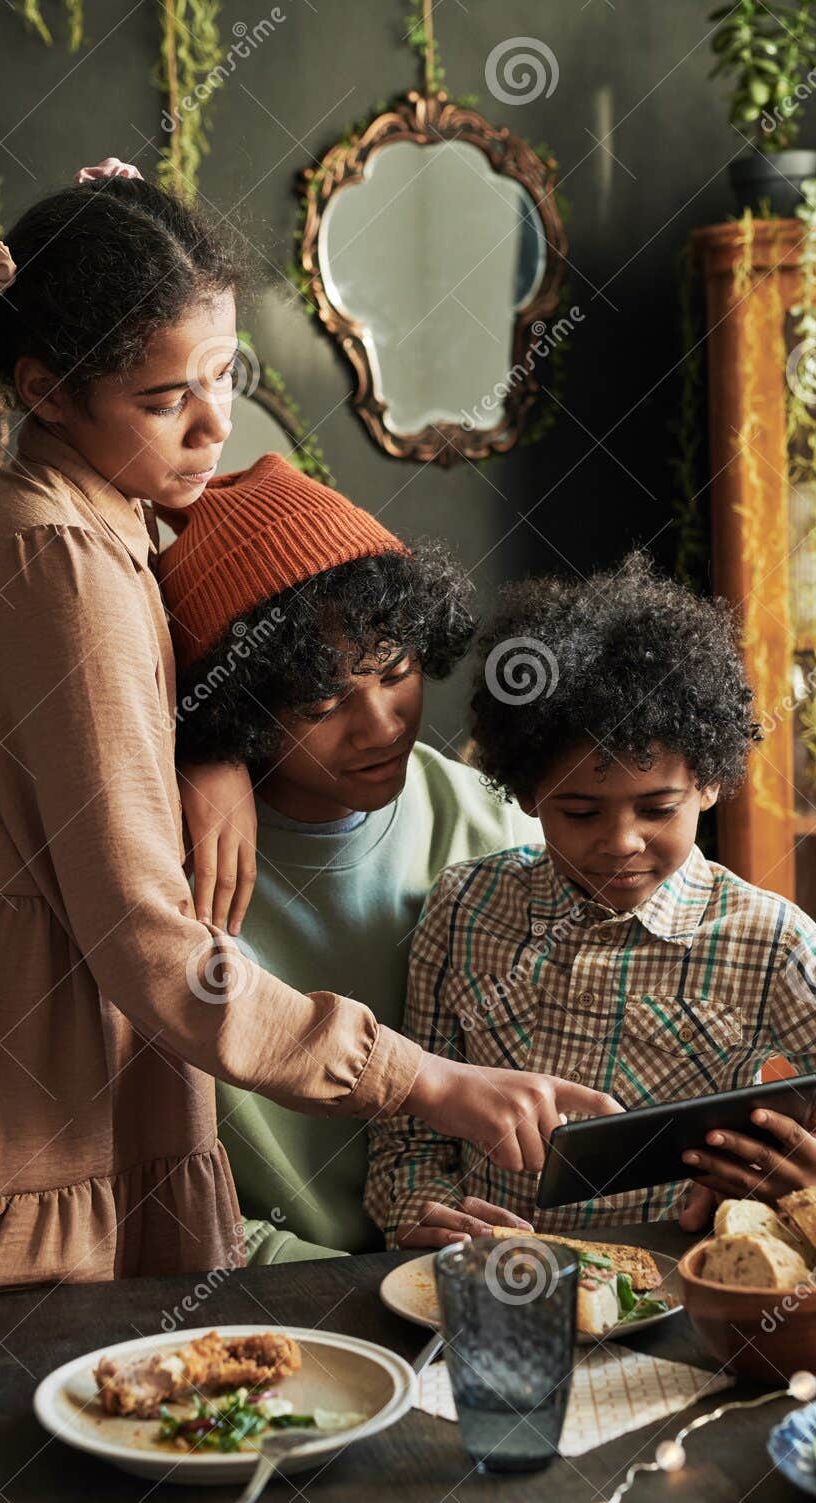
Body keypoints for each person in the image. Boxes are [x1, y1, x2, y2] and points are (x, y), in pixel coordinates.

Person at [0, 161, 612, 1503]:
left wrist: (210, 750)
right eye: (164, 398)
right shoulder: (65, 557)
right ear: (43, 389)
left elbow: (253, 568)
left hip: (43, 1101)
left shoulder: (95, 516)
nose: (213, 427)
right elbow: (146, 943)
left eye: (226, 375)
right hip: (13, 1128)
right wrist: (421, 1081)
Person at [365, 553, 816, 1245]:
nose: (620, 842)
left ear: (709, 783)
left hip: (682, 1297)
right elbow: (407, 1140)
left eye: (656, 809)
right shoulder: (464, 907)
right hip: (488, 1287)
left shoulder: (769, 942)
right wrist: (430, 1214)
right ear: (527, 795)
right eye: (581, 814)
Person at [158, 453, 566, 1260]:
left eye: (398, 672)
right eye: (321, 703)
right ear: (236, 716)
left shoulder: (494, 823)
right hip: (255, 1284)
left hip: (476, 1262)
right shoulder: (169, 863)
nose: (380, 725)